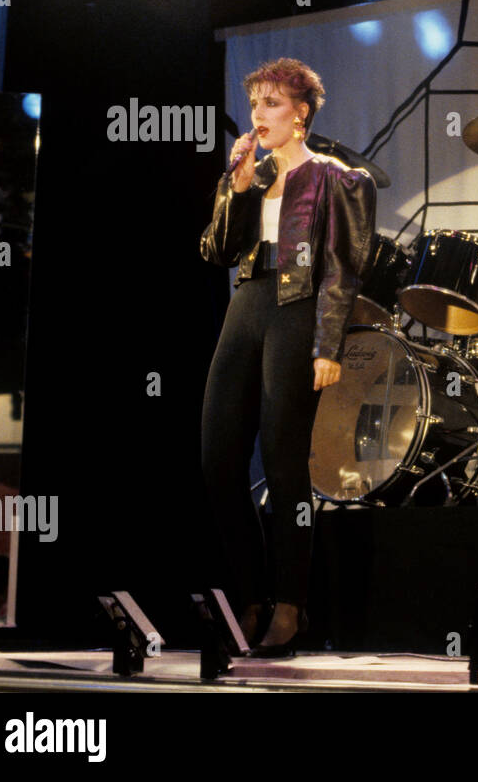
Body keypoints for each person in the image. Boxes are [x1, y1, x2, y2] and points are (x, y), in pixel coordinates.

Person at [200, 58, 376, 657]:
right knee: (217, 456)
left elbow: (343, 268)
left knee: (282, 461)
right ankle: (248, 595)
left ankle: (289, 605)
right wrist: (240, 187)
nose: (258, 115)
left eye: (271, 104)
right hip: (248, 301)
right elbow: (218, 251)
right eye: (254, 105)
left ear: (300, 113)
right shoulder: (244, 174)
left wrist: (329, 345)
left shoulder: (338, 179)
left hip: (300, 307)